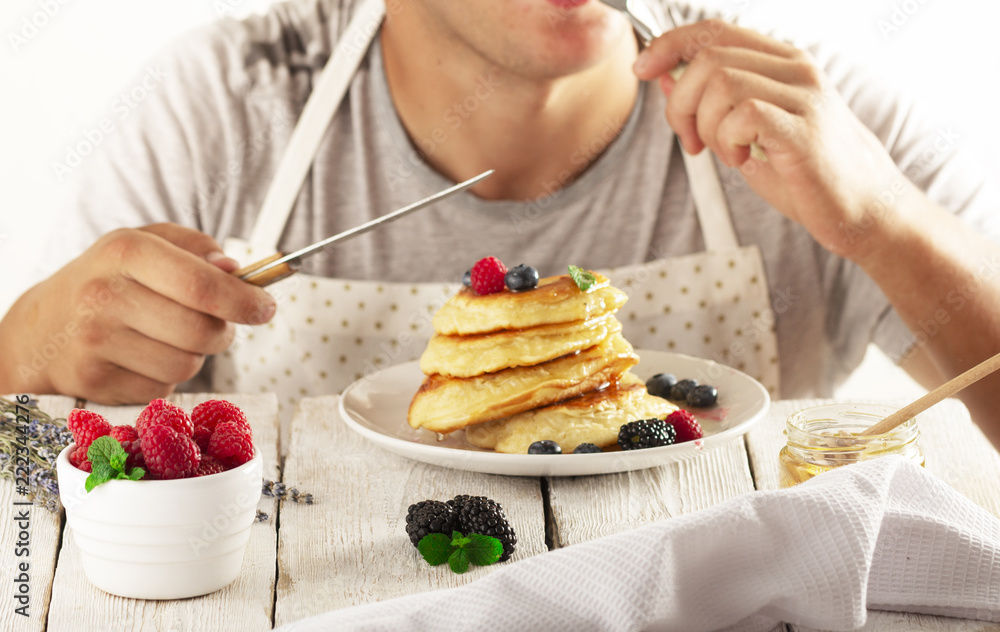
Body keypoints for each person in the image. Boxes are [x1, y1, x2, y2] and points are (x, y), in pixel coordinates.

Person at [2, 0, 999, 447]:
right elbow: (24, 486)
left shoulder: (808, 116)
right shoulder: (226, 105)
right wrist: (27, 360)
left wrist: (889, 226)